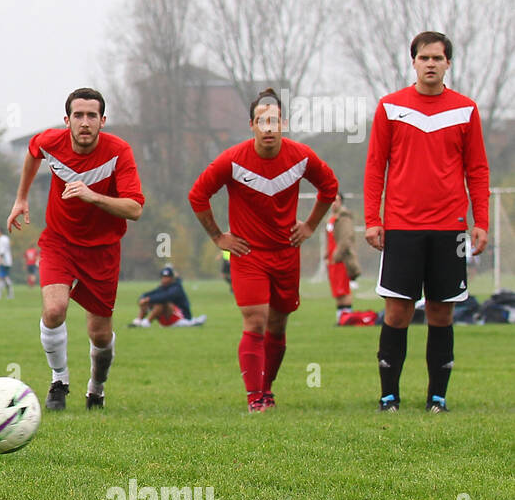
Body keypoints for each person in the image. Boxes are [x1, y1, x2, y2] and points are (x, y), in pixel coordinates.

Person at [189, 87, 338, 412]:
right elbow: (197, 195)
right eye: (261, 121)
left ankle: (266, 390)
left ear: (282, 124)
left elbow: (329, 186)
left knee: (278, 325)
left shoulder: (301, 156)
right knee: (255, 321)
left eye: (274, 121)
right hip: (248, 255)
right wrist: (218, 237)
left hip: (286, 253)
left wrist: (310, 225)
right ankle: (254, 397)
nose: (268, 127)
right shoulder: (231, 160)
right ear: (252, 125)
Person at [364, 31, 489, 413]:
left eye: (438, 58)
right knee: (398, 311)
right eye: (424, 58)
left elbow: (478, 170)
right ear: (414, 62)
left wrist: (479, 220)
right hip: (401, 226)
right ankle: (389, 397)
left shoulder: (465, 109)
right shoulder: (390, 107)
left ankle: (437, 397)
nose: (430, 63)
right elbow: (375, 167)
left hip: (449, 228)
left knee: (441, 310)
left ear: (448, 63)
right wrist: (373, 218)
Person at [7, 87, 144, 411]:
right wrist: (22, 197)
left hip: (103, 250)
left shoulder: (119, 152)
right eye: (78, 116)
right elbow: (32, 152)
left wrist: (93, 196)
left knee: (99, 334)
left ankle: (96, 388)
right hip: (59, 242)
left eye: (92, 116)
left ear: (102, 121)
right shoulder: (50, 141)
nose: (85, 122)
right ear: (67, 120)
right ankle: (59, 381)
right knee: (54, 310)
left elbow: (135, 209)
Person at [325, 192, 361, 322]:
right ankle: (341, 318)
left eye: (337, 200)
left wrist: (336, 254)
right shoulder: (331, 218)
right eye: (332, 200)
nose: (334, 203)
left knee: (344, 289)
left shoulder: (344, 217)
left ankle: (347, 319)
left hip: (341, 260)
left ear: (341, 202)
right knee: (337, 291)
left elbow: (346, 239)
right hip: (332, 260)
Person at [131, 266, 205, 327]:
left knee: (161, 302)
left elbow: (166, 297)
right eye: (163, 277)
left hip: (181, 317)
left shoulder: (176, 288)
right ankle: (138, 320)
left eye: (167, 277)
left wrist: (148, 299)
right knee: (148, 301)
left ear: (172, 278)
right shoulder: (163, 287)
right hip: (168, 318)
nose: (164, 279)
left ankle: (147, 322)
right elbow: (149, 294)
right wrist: (143, 298)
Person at [0, 226, 14, 300]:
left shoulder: (1, 239)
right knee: (5, 278)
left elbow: (2, 251)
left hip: (3, 261)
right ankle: (10, 295)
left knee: (1, 278)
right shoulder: (6, 238)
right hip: (7, 261)